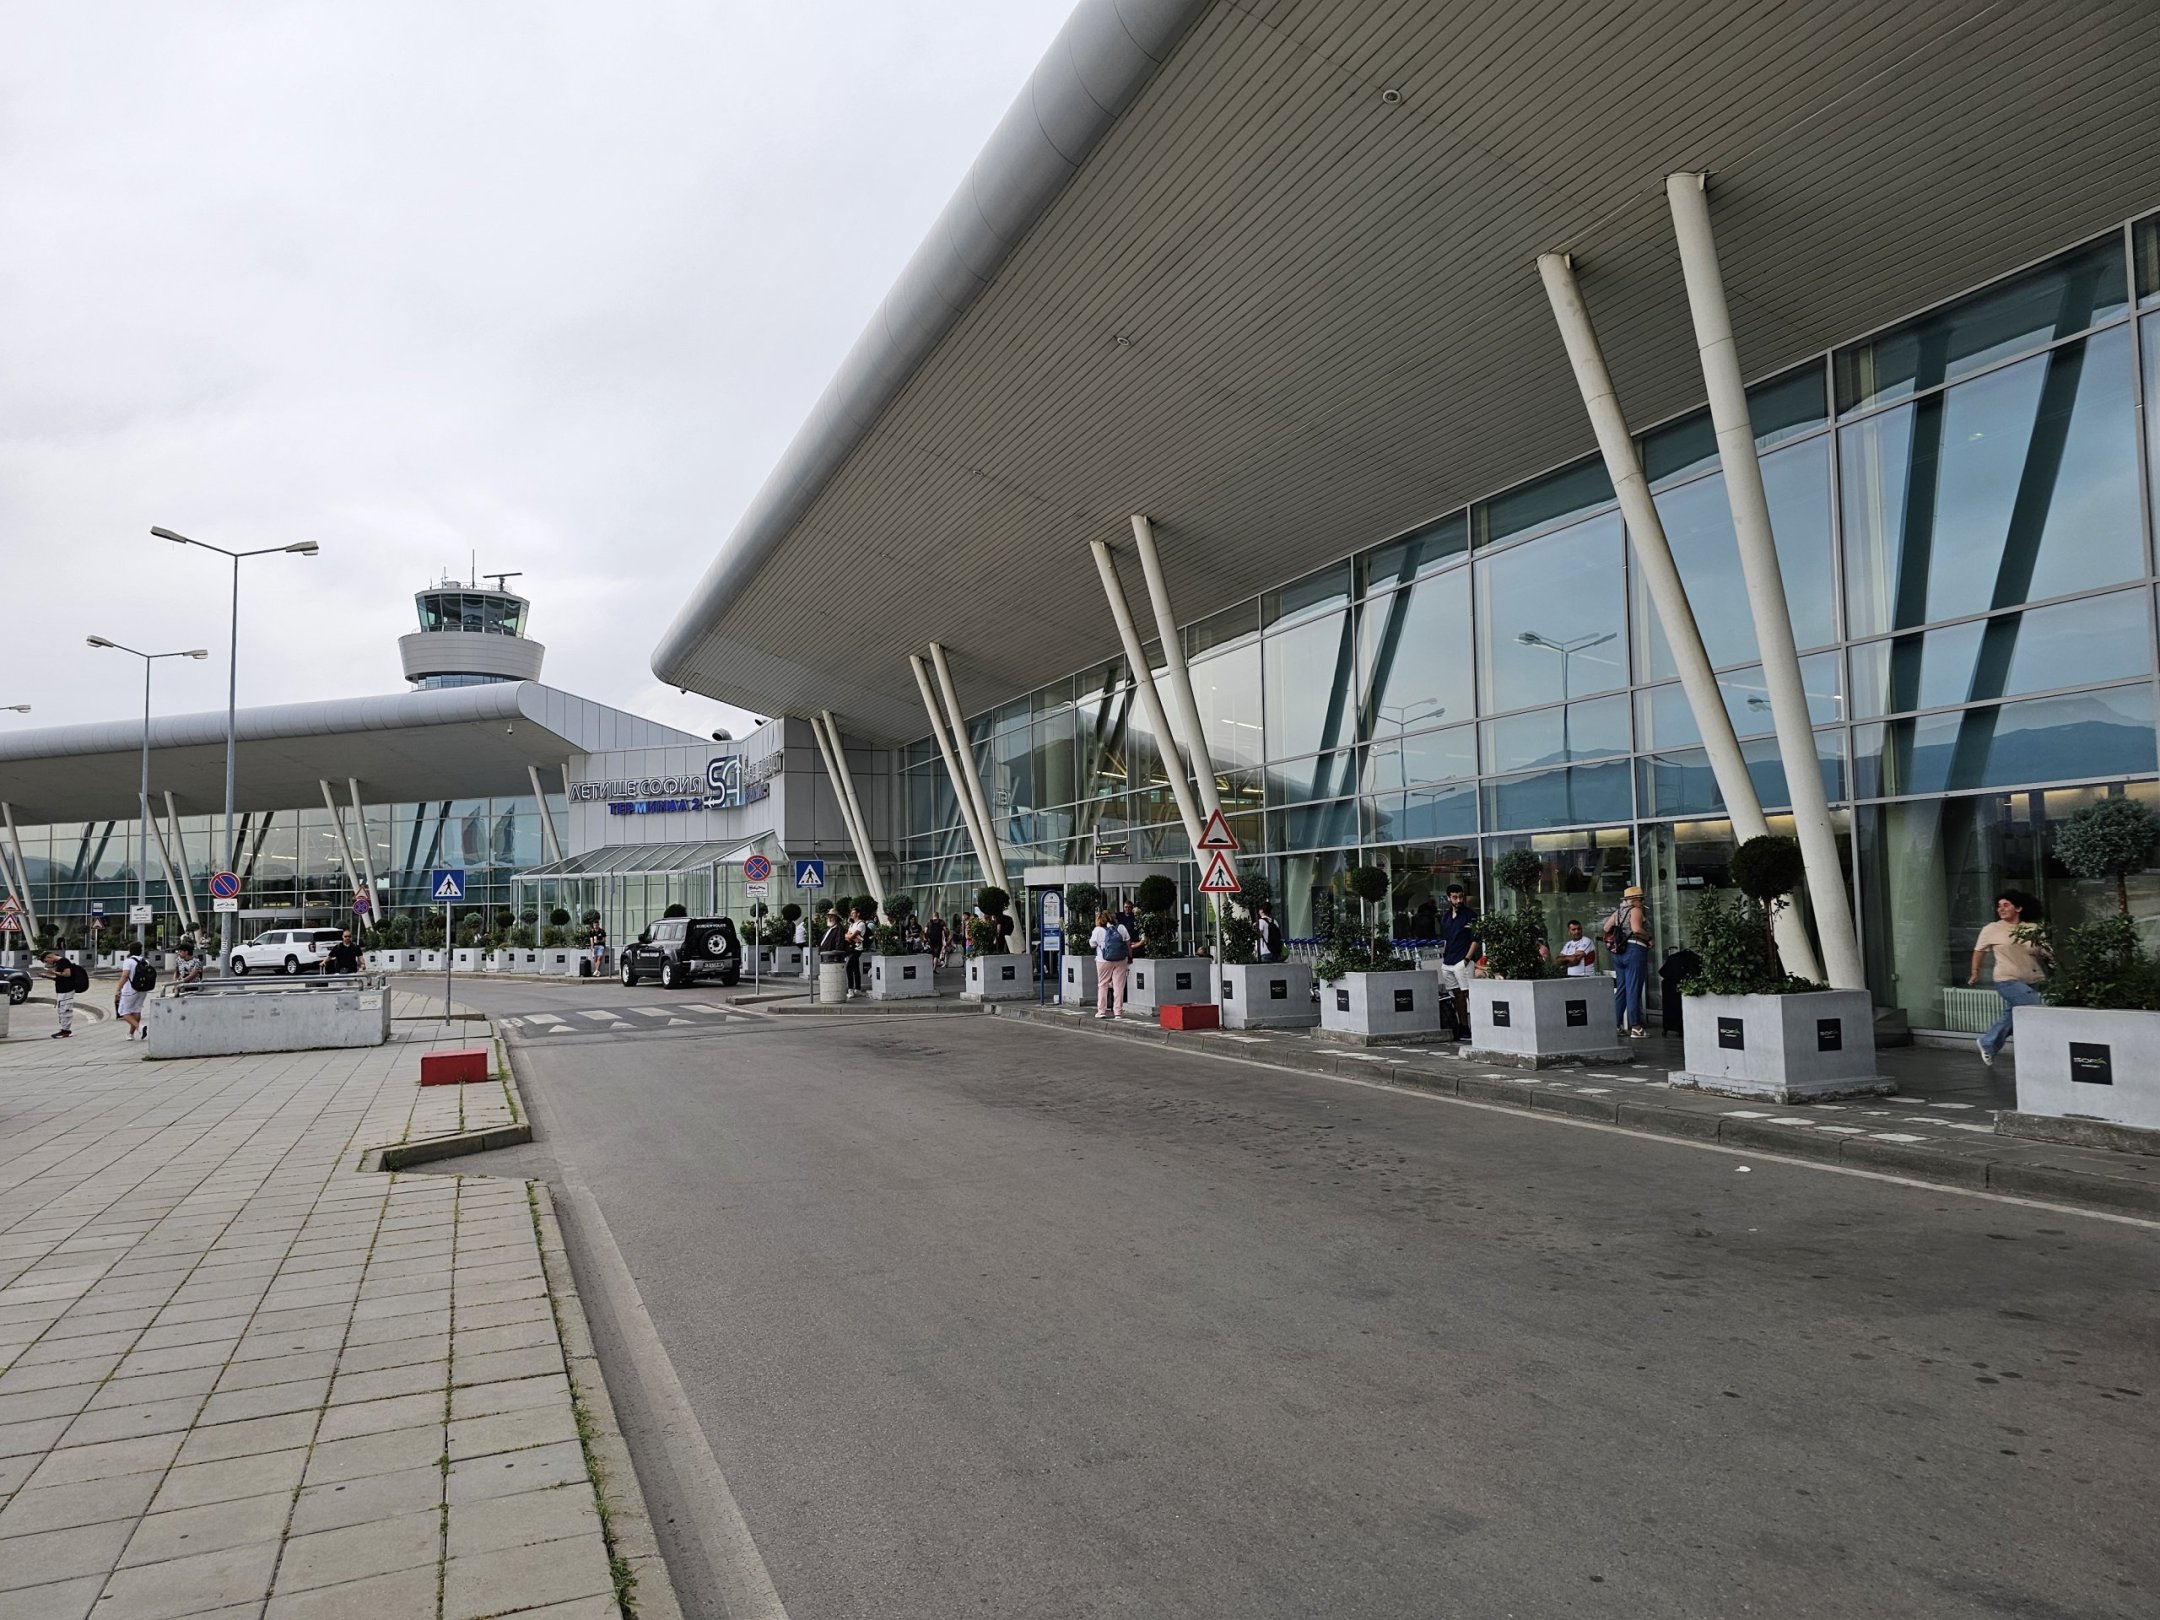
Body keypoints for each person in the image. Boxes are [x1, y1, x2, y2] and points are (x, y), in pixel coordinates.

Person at [1971, 891, 2048, 1067]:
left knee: (2011, 1017)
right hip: (2007, 979)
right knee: (2035, 1006)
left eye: (2006, 905)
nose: (2001, 909)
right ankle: (2043, 1049)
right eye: (1999, 906)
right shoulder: (1992, 929)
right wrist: (1975, 971)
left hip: (2033, 979)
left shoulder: (2033, 929)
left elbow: (2045, 951)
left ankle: (1988, 1043)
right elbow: (1979, 951)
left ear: (2019, 908)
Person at [1605, 885, 1652, 1037]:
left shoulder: (1618, 912)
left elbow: (1606, 927)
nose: (1642, 901)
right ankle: (1636, 1027)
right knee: (1633, 988)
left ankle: (1615, 1025)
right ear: (1636, 900)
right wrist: (1649, 938)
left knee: (1622, 989)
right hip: (1634, 950)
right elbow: (1637, 929)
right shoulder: (1636, 910)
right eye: (1641, 899)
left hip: (1619, 952)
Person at [1437, 885, 1481, 1031]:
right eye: (1455, 897)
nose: (1458, 900)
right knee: (1457, 995)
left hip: (1462, 960)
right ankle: (1463, 1026)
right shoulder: (1446, 916)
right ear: (1449, 898)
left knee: (1469, 993)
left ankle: (1478, 1026)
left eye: (1460, 897)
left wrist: (1467, 959)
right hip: (1449, 960)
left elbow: (1476, 939)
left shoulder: (1470, 915)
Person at [1091, 908, 1132, 1019]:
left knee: (1103, 985)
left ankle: (1101, 1011)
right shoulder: (1121, 927)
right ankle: (1118, 1012)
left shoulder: (1098, 930)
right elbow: (1128, 943)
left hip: (1103, 960)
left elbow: (1092, 944)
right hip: (1120, 960)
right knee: (1119, 986)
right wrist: (1130, 957)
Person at [1658, 945, 1702, 1038]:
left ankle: (1668, 1028)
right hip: (1679, 983)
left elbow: (1662, 972)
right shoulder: (1690, 960)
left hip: (1669, 985)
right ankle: (1680, 1028)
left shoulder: (1672, 961)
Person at [43, 951, 87, 1039]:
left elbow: (67, 974)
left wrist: (53, 972)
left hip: (67, 990)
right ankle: (63, 1029)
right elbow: (60, 978)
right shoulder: (60, 963)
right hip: (62, 990)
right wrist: (46, 976)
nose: (47, 963)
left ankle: (66, 1030)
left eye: (46, 961)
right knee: (61, 1009)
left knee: (65, 1009)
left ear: (49, 957)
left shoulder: (64, 961)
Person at [114, 944, 149, 1040]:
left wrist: (118, 989)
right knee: (136, 1010)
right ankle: (131, 1034)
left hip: (130, 990)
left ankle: (139, 1027)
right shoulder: (145, 961)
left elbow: (125, 976)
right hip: (143, 990)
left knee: (123, 1011)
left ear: (130, 950)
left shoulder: (128, 961)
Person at [843, 906, 867, 997]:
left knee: (848, 967)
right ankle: (857, 988)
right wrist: (850, 936)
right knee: (855, 968)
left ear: (858, 914)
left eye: (853, 913)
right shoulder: (852, 924)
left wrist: (850, 936)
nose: (851, 915)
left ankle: (850, 989)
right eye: (851, 913)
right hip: (851, 948)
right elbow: (846, 935)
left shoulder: (861, 924)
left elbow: (852, 936)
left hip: (857, 949)